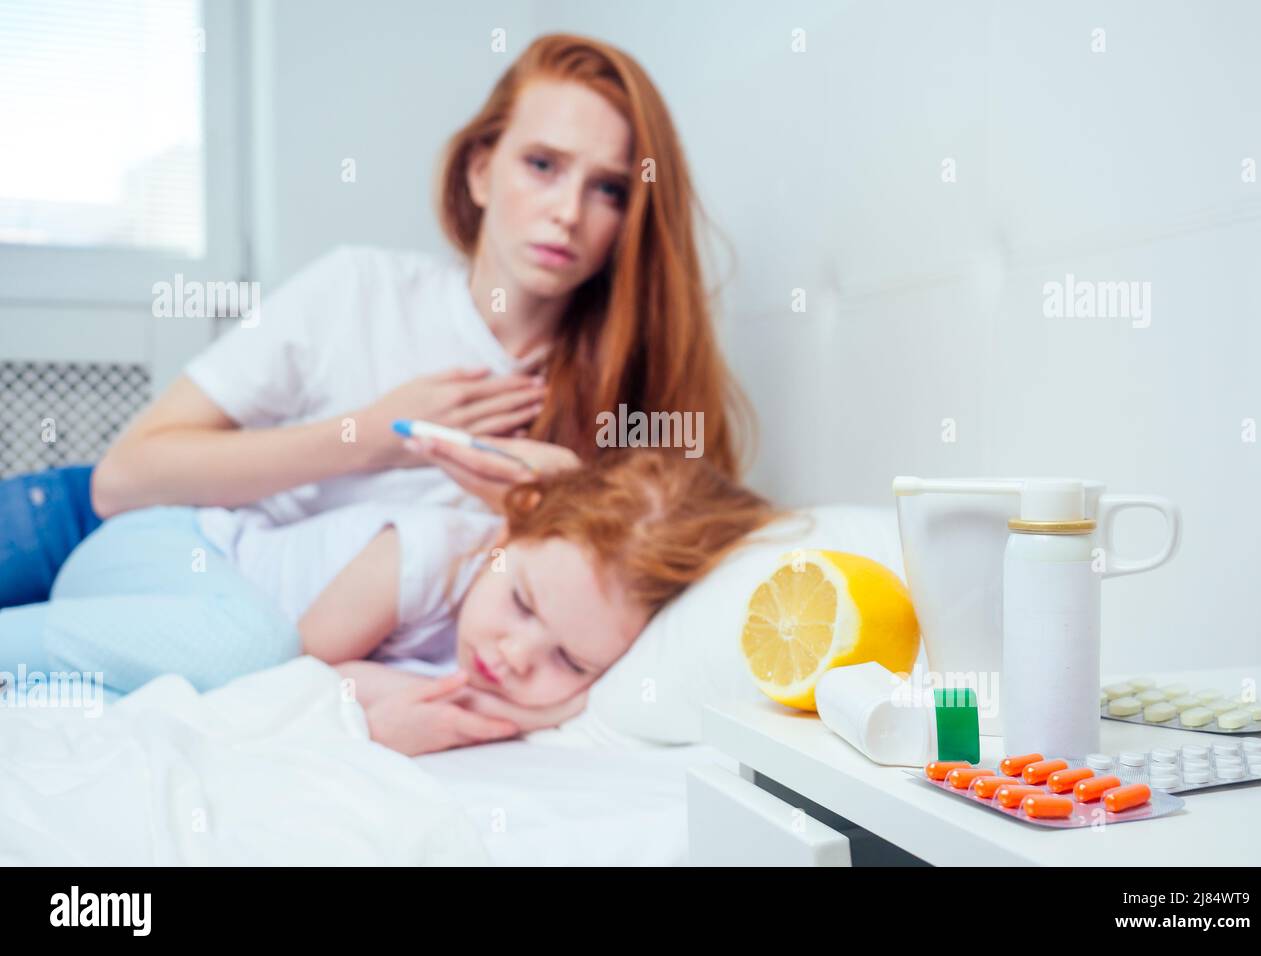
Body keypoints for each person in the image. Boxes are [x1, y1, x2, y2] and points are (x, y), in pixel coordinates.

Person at [0, 31, 752, 609]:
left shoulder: (621, 401)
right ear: (481, 170)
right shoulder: (359, 288)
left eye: (611, 190)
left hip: (212, 614)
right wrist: (372, 437)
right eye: (543, 165)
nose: (567, 211)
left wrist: (551, 506)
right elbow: (124, 478)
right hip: (80, 525)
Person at [0, 450, 776, 755]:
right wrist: (530, 708)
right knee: (255, 649)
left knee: (123, 714)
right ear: (512, 529)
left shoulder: (562, 640)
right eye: (523, 604)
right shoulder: (430, 551)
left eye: (571, 661)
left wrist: (541, 710)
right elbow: (296, 674)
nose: (515, 655)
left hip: (154, 629)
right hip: (152, 554)